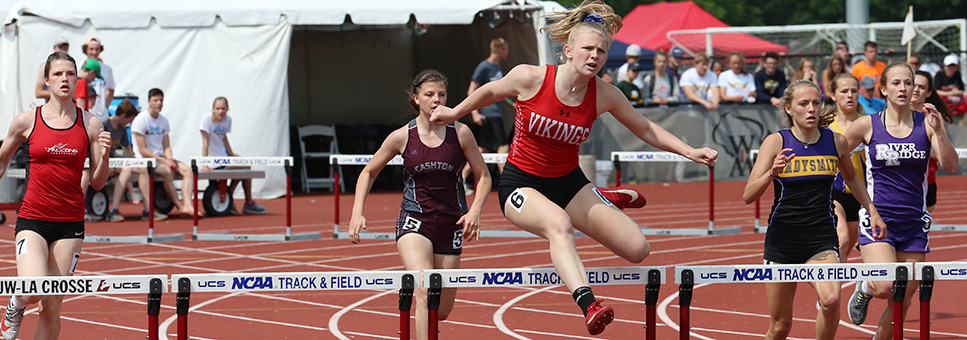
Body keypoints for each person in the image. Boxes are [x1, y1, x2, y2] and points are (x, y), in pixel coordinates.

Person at [430, 1, 717, 335]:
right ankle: (589, 304)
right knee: (559, 224)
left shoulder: (605, 94)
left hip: (569, 183)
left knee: (638, 249)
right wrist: (454, 114)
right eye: (588, 49)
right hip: (521, 184)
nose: (594, 56)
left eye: (602, 51)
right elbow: (490, 91)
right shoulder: (531, 77)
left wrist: (689, 151)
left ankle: (604, 197)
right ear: (567, 50)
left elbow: (645, 128)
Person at [349, 69, 491, 340]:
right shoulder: (402, 136)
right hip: (415, 222)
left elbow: (483, 175)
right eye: (429, 95)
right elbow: (368, 172)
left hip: (451, 223)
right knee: (426, 291)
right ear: (416, 99)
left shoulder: (461, 133)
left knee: (442, 310)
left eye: (442, 94)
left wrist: (475, 210)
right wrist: (357, 212)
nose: (437, 100)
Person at [743, 79, 884, 340]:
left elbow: (852, 178)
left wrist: (872, 210)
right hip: (783, 241)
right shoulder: (776, 142)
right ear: (789, 109)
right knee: (781, 326)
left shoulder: (836, 142)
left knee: (831, 301)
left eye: (816, 103)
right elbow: (748, 195)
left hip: (821, 239)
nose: (811, 109)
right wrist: (771, 174)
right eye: (803, 104)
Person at [0, 51, 112, 340]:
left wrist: (106, 155)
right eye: (59, 74)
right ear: (47, 80)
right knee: (33, 287)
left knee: (51, 306)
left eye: (70, 74)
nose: (65, 78)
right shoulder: (27, 121)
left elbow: (98, 183)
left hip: (70, 224)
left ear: (77, 81)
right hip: (33, 220)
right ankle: (15, 305)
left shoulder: (91, 124)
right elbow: (2, 159)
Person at [845, 63, 958, 339]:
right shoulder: (866, 125)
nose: (904, 89)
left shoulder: (926, 125)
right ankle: (865, 287)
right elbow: (835, 155)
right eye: (896, 83)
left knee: (903, 300)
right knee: (885, 286)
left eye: (908, 83)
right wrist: (853, 192)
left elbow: (951, 165)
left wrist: (940, 132)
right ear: (883, 89)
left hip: (913, 224)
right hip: (878, 220)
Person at [131, 88, 195, 216]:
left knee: (188, 171)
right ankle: (179, 206)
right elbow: (143, 150)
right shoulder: (141, 120)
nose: (159, 103)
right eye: (155, 100)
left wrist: (170, 158)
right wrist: (164, 161)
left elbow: (166, 145)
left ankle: (188, 205)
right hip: (146, 160)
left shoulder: (164, 120)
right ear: (149, 101)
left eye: (161, 100)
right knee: (167, 171)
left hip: (161, 158)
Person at [199, 97, 268, 215]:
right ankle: (235, 198)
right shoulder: (206, 119)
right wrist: (204, 163)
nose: (220, 111)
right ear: (213, 109)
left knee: (245, 165)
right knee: (244, 168)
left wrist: (231, 154)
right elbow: (205, 142)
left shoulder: (228, 120)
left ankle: (243, 201)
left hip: (224, 157)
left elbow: (223, 137)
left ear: (227, 109)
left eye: (223, 108)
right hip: (214, 161)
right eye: (217, 109)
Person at [824, 73, 866, 260]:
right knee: (842, 240)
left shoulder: (870, 124)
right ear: (833, 95)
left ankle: (853, 288)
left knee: (849, 250)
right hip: (835, 193)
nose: (849, 96)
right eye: (844, 91)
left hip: (863, 195)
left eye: (854, 91)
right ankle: (831, 288)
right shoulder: (826, 128)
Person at [102, 100, 165, 222]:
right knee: (127, 168)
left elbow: (128, 150)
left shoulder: (121, 129)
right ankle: (114, 209)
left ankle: (148, 209)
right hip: (105, 163)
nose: (130, 123)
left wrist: (137, 162)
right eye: (130, 120)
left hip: (115, 162)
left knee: (142, 169)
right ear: (123, 116)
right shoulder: (104, 126)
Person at [462, 38, 511, 192]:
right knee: (503, 146)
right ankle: (508, 183)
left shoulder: (497, 67)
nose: (508, 53)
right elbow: (471, 91)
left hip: (495, 113)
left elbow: (500, 91)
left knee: (483, 149)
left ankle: (461, 179)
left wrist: (512, 104)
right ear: (500, 50)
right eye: (506, 49)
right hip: (489, 114)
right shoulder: (484, 67)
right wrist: (475, 113)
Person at [911, 70, 954, 215]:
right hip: (900, 180)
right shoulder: (892, 115)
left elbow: (939, 154)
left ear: (928, 93)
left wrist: (914, 147)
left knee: (919, 230)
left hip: (925, 181)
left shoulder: (933, 117)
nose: (916, 89)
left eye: (921, 87)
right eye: (913, 85)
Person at [81, 36, 115, 121]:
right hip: (84, 115)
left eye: (97, 49)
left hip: (101, 116)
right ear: (86, 50)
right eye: (91, 49)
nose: (94, 52)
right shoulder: (79, 67)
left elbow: (111, 90)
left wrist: (105, 107)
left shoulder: (107, 68)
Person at [35, 36, 71, 101]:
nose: (63, 50)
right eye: (60, 47)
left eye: (65, 47)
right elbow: (38, 92)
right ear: (54, 48)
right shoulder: (45, 66)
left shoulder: (71, 66)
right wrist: (59, 92)